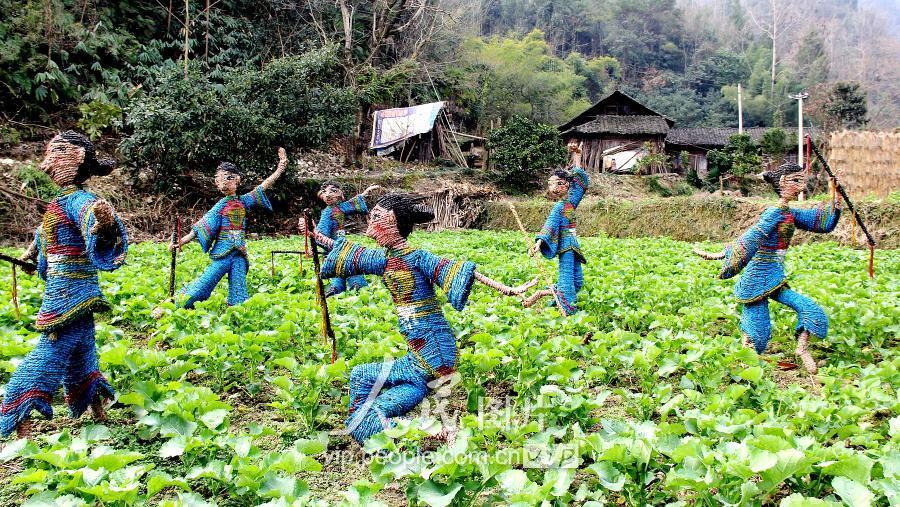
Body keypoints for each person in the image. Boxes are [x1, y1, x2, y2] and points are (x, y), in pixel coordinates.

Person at [299, 194, 535, 444]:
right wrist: (316, 235)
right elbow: (347, 252)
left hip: (433, 351)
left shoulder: (417, 258)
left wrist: (510, 290)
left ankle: (386, 425)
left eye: (377, 217)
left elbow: (458, 269)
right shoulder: (384, 261)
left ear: (393, 222)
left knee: (360, 375)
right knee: (366, 393)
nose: (371, 223)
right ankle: (383, 425)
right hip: (419, 360)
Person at [1, 131, 128, 438]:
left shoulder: (80, 200)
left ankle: (17, 410)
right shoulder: (59, 202)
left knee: (50, 352)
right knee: (83, 351)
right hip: (64, 291)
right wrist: (31, 255)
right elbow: (43, 236)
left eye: (54, 157)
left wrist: (103, 225)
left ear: (75, 159)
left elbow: (90, 220)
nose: (46, 165)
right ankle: (94, 407)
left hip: (71, 295)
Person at [695, 162, 841, 374]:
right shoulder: (774, 213)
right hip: (757, 278)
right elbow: (754, 235)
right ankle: (746, 362)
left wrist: (835, 199)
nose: (801, 187)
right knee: (759, 330)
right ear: (782, 183)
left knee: (811, 310)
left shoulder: (790, 213)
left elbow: (820, 222)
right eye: (796, 181)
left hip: (775, 276)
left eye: (802, 181)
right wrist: (726, 253)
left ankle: (802, 350)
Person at [167, 149, 287, 310]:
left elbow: (263, 186)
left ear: (237, 180)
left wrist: (280, 168)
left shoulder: (244, 201)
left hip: (239, 254)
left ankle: (237, 313)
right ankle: (177, 303)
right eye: (219, 180)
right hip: (223, 253)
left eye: (228, 178)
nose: (224, 183)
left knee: (239, 292)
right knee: (203, 285)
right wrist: (181, 241)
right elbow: (202, 226)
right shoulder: (221, 206)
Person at [523, 140, 589, 315]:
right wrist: (538, 243)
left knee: (578, 280)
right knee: (567, 279)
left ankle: (550, 295)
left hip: (573, 245)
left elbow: (579, 182)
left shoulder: (570, 202)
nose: (554, 188)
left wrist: (577, 156)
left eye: (558, 183)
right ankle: (567, 310)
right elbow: (550, 225)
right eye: (552, 184)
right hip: (566, 247)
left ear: (566, 184)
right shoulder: (559, 207)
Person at [313, 180, 382, 297]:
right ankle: (352, 287)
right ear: (321, 195)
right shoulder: (327, 213)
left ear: (340, 194)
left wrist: (365, 193)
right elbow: (320, 235)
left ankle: (340, 288)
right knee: (348, 264)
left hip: (341, 241)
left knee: (341, 267)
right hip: (335, 246)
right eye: (325, 192)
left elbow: (352, 203)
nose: (328, 195)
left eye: (333, 191)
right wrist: (318, 235)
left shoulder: (339, 208)